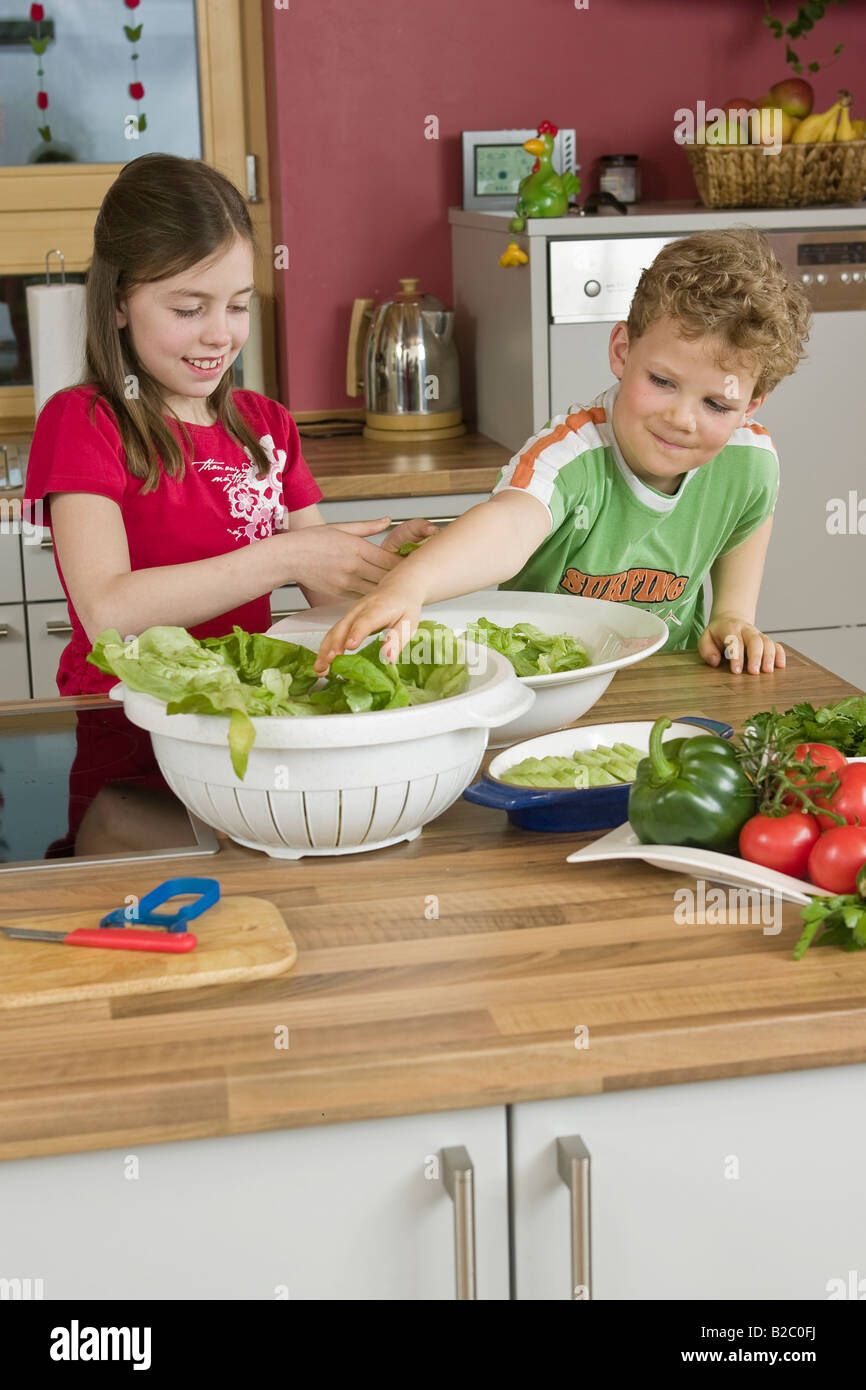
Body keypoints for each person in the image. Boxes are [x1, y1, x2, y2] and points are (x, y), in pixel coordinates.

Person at [23, 152, 431, 850]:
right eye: (189, 308)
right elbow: (110, 613)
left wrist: (376, 566)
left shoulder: (265, 425)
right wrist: (284, 555)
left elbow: (319, 591)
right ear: (119, 301)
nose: (221, 334)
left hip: (247, 724)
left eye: (239, 306)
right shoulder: (85, 421)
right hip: (133, 734)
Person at [314, 228, 811, 680]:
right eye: (662, 381)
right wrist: (411, 583)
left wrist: (732, 616)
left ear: (750, 405)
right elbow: (509, 527)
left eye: (717, 403)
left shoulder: (750, 459)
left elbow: (747, 508)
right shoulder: (570, 455)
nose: (683, 419)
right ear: (621, 350)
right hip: (544, 684)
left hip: (667, 682)